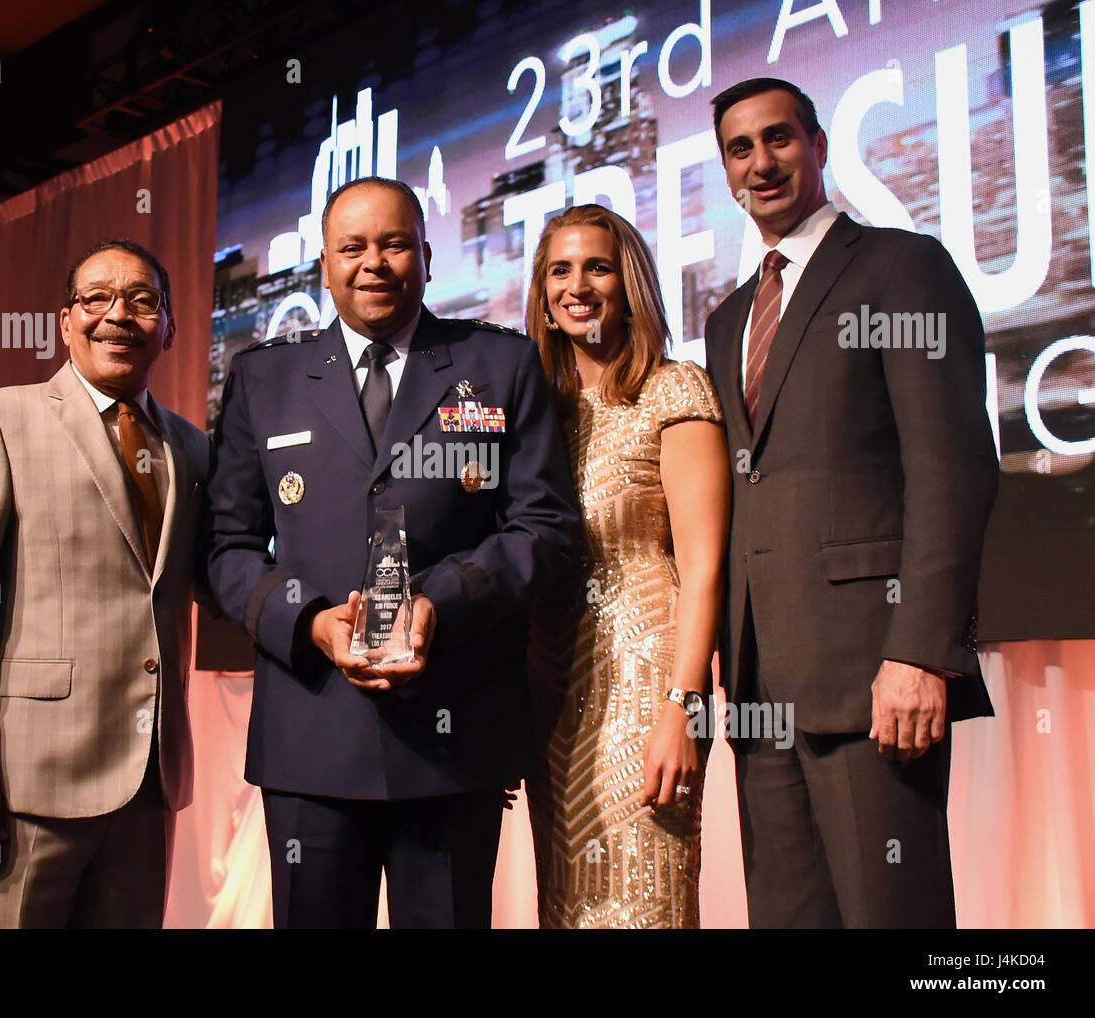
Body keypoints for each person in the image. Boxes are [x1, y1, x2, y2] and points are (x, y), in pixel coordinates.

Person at [204, 176, 581, 929]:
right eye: (352, 247)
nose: (373, 263)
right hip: (312, 737)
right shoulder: (264, 378)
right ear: (324, 265)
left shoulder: (500, 365)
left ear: (427, 257)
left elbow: (544, 525)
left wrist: (440, 601)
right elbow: (227, 547)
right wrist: (308, 621)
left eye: (394, 243)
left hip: (452, 737)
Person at [703, 77, 999, 928]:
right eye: (740, 148)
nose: (762, 163)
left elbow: (954, 468)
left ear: (820, 145)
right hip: (760, 689)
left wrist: (921, 652)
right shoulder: (728, 321)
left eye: (779, 139)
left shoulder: (902, 267)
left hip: (876, 678)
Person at [0, 239, 209, 927]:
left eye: (142, 300)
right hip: (18, 787)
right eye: (97, 298)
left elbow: (214, 579)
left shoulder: (193, 447)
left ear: (169, 327)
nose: (118, 315)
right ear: (65, 321)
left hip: (146, 786)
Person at [523, 204, 731, 928]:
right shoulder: (534, 414)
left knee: (645, 901)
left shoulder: (675, 389)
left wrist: (683, 708)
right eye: (560, 270)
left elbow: (704, 570)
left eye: (598, 266)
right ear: (543, 297)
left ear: (629, 281)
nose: (578, 285)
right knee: (567, 905)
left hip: (649, 685)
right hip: (552, 690)